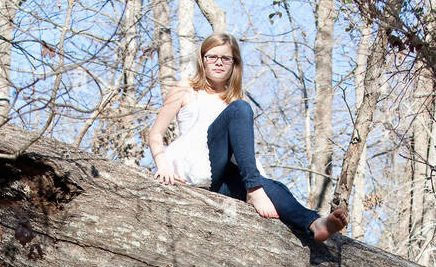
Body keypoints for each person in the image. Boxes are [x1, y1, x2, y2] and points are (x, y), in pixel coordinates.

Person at [148, 33, 348, 242]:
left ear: (234, 63)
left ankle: (316, 223)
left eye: (225, 58)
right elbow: (155, 133)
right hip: (197, 168)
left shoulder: (235, 98)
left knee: (273, 187)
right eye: (212, 56)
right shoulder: (187, 89)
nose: (218, 63)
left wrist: (260, 184)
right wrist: (163, 166)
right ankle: (254, 189)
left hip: (223, 181)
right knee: (241, 111)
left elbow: (243, 152)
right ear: (202, 59)